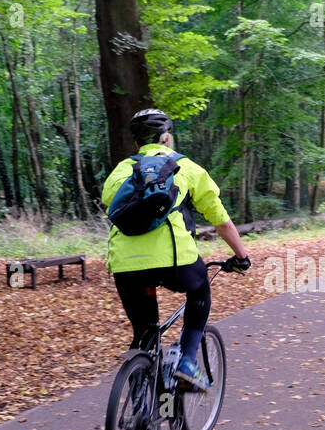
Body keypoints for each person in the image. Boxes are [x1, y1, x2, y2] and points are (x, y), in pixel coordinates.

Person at [101, 108, 251, 391]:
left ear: (137, 144)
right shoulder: (187, 167)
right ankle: (187, 362)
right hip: (174, 261)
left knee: (144, 333)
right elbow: (221, 220)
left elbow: (113, 206)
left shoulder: (120, 171)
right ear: (167, 138)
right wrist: (242, 256)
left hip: (125, 265)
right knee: (200, 289)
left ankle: (140, 412)